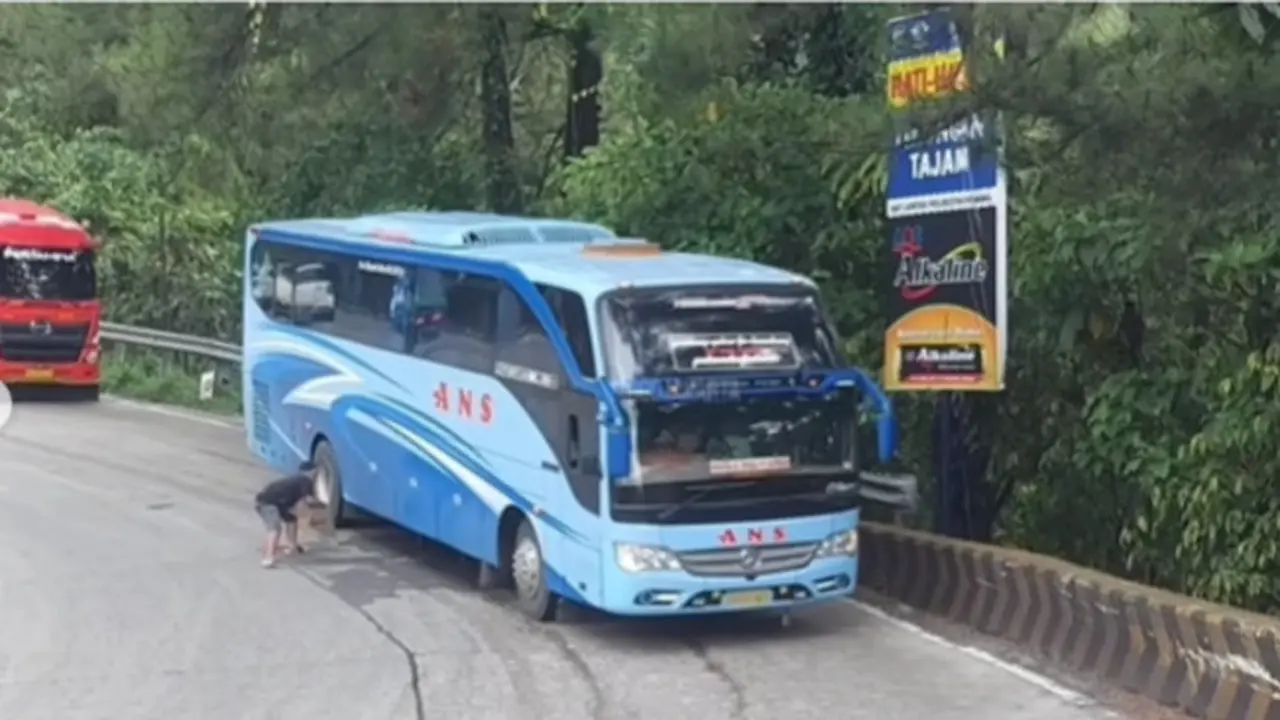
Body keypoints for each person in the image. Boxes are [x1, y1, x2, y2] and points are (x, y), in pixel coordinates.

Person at [254, 461, 320, 568]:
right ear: (311, 472)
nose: (316, 474)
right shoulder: (305, 480)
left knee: (291, 519)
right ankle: (268, 557)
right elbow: (305, 502)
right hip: (268, 503)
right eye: (315, 472)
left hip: (278, 503)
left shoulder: (297, 480)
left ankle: (292, 546)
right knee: (275, 528)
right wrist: (313, 516)